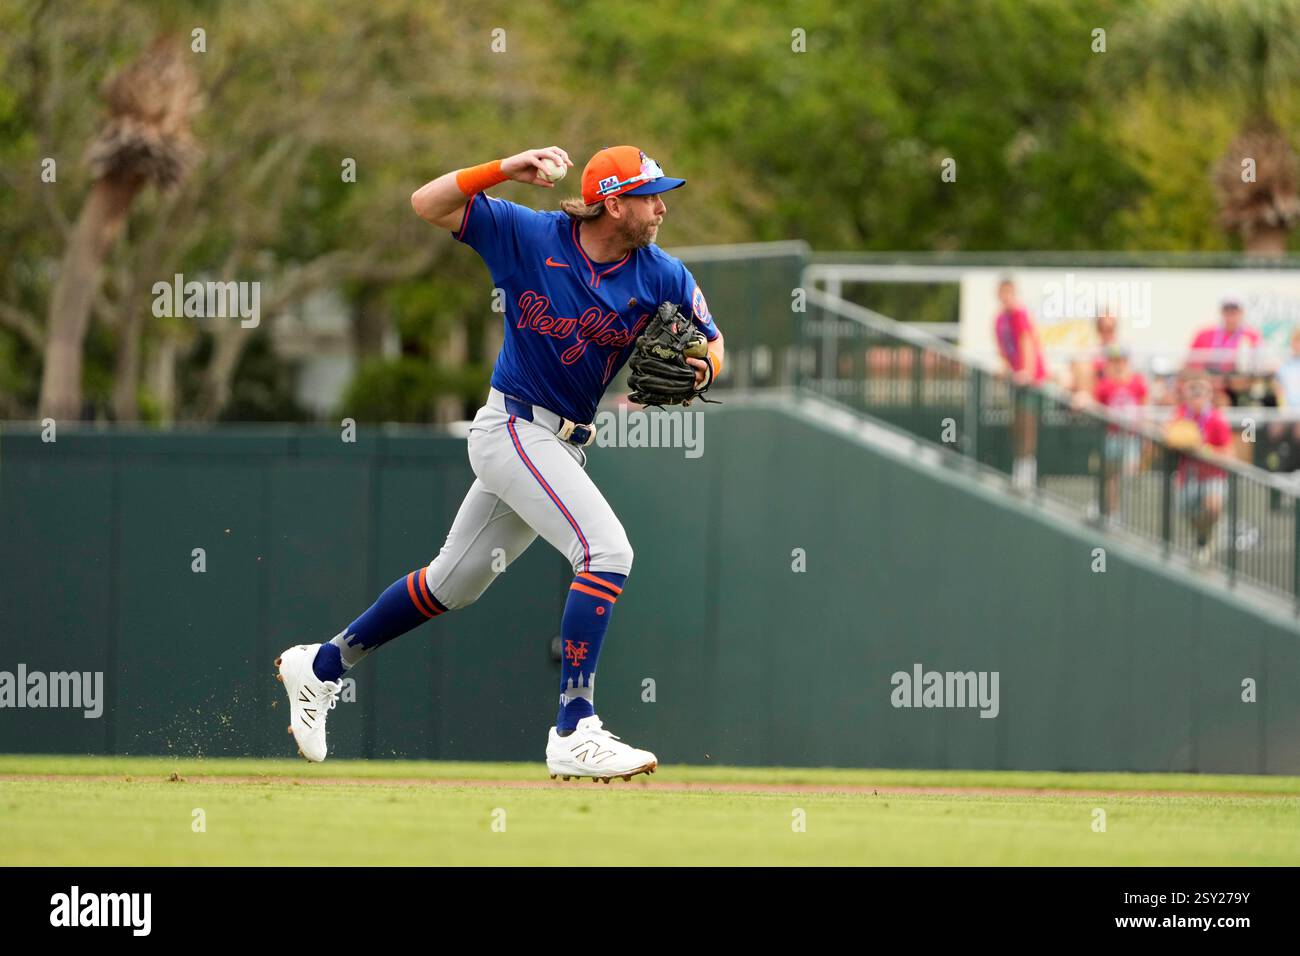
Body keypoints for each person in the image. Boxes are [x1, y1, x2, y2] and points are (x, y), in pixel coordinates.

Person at [275, 145, 725, 781]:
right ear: (614, 202)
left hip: (563, 443)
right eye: (651, 194)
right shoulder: (530, 232)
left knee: (451, 583)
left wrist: (700, 369)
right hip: (513, 425)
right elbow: (426, 203)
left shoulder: (661, 274)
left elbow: (714, 345)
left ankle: (322, 665)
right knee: (607, 552)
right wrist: (503, 169)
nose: (662, 205)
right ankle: (575, 727)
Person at [1166, 372, 1232, 564]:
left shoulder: (1217, 419)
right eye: (1192, 389)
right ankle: (1203, 539)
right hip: (1187, 475)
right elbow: (1168, 433)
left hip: (1212, 475)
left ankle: (1205, 539)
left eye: (1200, 390)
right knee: (1187, 512)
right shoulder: (1180, 415)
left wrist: (1204, 450)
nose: (1196, 394)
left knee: (1213, 507)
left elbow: (1229, 455)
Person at [993, 278, 1047, 489]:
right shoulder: (999, 320)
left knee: (1028, 424)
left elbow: (1028, 342)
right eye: (1002, 293)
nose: (1006, 298)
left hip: (1030, 380)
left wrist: (1028, 372)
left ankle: (1027, 472)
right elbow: (1005, 349)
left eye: (1009, 293)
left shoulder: (1019, 314)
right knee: (1016, 423)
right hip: (1016, 381)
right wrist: (1007, 368)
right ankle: (1019, 468)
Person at [1091, 346, 1147, 523]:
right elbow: (1096, 407)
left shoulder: (1137, 382)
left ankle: (1120, 511)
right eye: (1114, 361)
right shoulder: (1104, 385)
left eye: (1121, 360)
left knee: (1129, 470)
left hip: (1131, 436)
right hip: (1112, 435)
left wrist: (1144, 431)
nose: (1118, 365)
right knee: (1112, 475)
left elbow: (1145, 407)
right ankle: (1113, 514)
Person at [1187, 292, 1261, 405]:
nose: (1230, 315)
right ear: (1221, 312)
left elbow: (1256, 367)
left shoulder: (1251, 336)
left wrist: (1228, 381)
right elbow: (1191, 364)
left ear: (1241, 313)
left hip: (1238, 387)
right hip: (1208, 384)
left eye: (1234, 311)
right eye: (1227, 311)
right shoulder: (1204, 334)